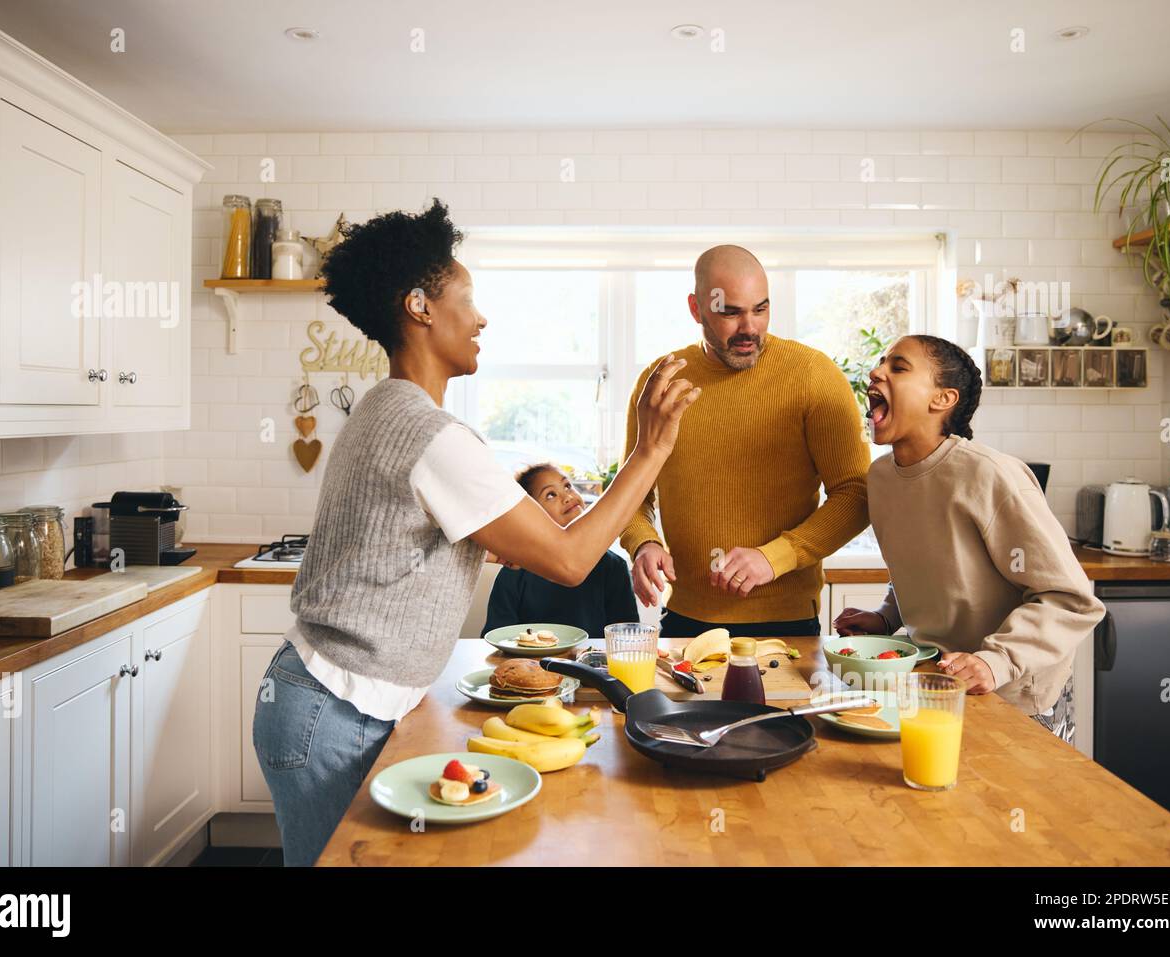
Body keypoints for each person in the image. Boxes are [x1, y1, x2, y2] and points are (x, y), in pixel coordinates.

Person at [252, 200, 699, 865]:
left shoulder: (385, 408)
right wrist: (651, 450)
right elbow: (571, 558)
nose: (482, 316)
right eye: (468, 297)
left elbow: (473, 539)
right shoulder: (431, 436)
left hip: (317, 699)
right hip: (330, 711)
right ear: (420, 307)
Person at [833, 334, 1104, 741]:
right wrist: (887, 616)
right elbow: (924, 569)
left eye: (898, 367)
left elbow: (1069, 599)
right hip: (938, 685)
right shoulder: (883, 478)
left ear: (942, 399)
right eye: (881, 363)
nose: (876, 372)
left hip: (1017, 698)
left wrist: (995, 662)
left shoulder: (990, 475)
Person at [621, 245, 870, 639]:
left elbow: (856, 494)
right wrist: (643, 543)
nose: (749, 328)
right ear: (696, 308)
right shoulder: (662, 381)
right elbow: (632, 492)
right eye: (731, 312)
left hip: (785, 623)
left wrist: (774, 558)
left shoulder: (812, 374)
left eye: (760, 309)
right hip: (684, 621)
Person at [483, 463, 638, 636]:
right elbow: (496, 635)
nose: (567, 496)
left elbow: (627, 635)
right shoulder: (514, 570)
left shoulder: (614, 566)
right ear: (531, 517)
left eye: (567, 486)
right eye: (550, 495)